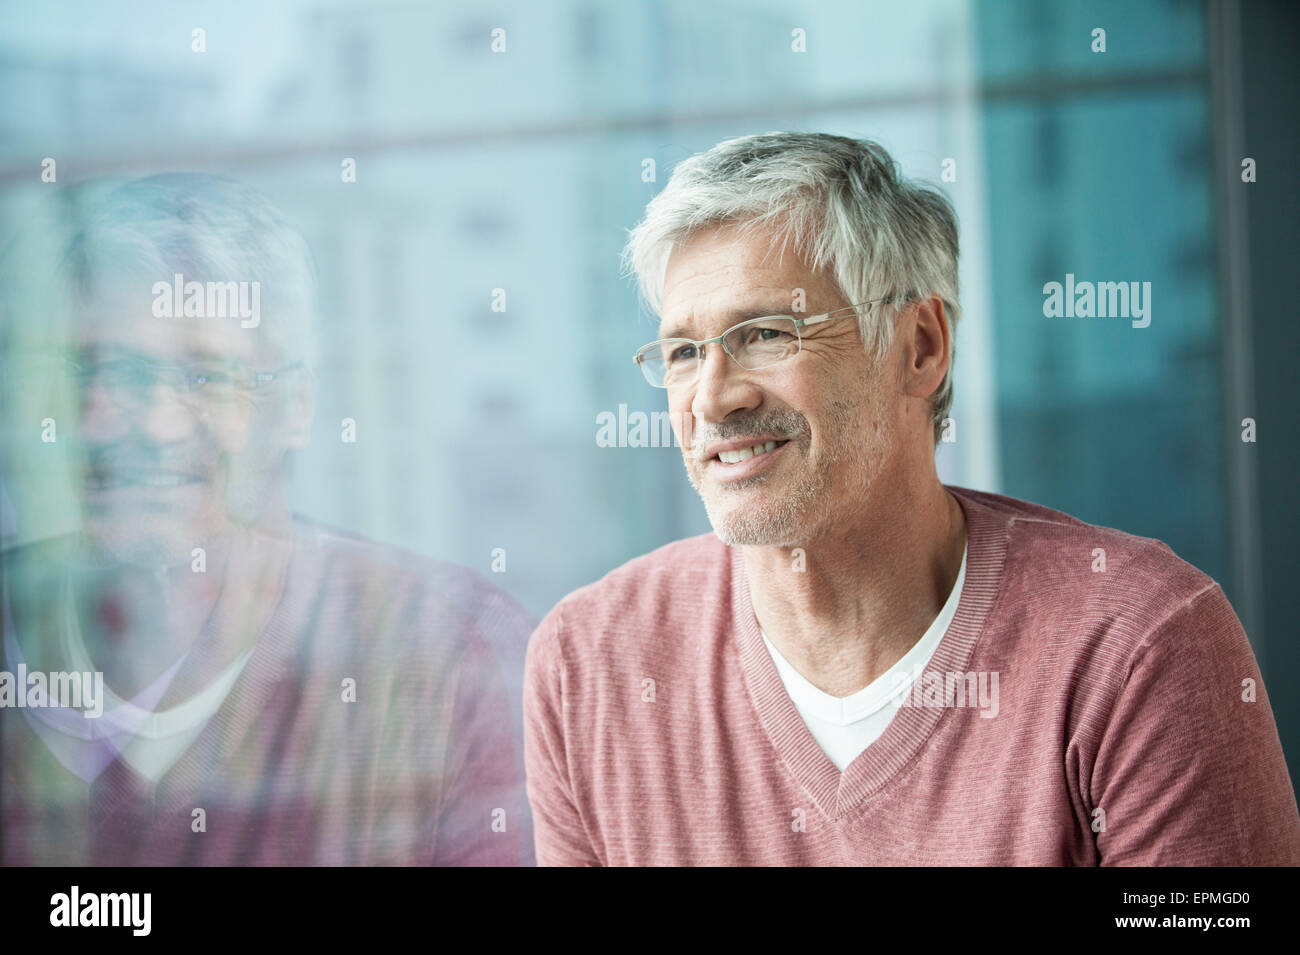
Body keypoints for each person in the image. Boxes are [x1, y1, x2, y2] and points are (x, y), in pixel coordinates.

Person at [522, 131, 1300, 865]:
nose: (713, 399)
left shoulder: (1138, 646)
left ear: (920, 347)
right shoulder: (588, 665)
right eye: (684, 351)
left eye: (766, 333)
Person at [0, 174, 534, 865]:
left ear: (298, 407)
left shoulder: (453, 652)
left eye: (205, 377)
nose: (153, 425)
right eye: (95, 374)